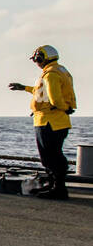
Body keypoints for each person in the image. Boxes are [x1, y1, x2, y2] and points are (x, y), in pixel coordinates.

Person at [10, 45, 77, 200]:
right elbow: (41, 91)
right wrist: (24, 88)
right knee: (53, 155)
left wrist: (64, 107)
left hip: (49, 121)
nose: (36, 63)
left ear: (42, 58)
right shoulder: (59, 71)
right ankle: (54, 185)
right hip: (56, 121)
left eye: (36, 60)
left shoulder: (50, 75)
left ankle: (58, 189)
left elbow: (54, 98)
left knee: (50, 156)